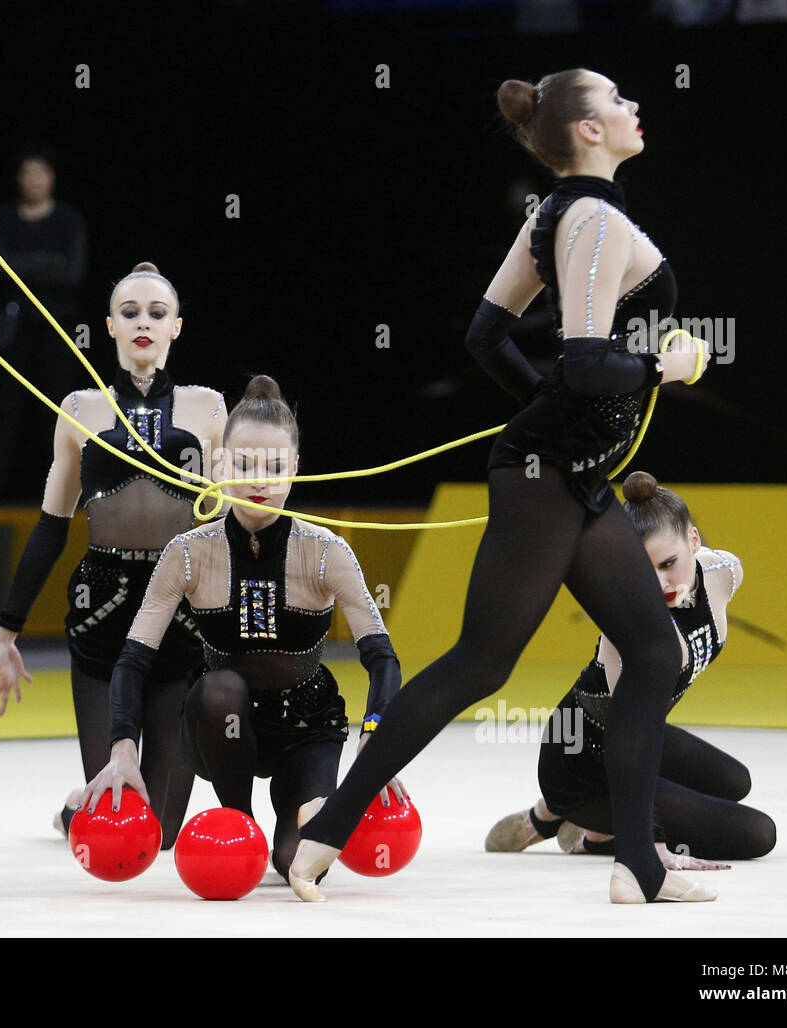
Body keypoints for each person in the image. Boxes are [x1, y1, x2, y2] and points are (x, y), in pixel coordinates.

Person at [289, 68, 715, 904]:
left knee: (654, 650)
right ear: (588, 131)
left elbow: (488, 335)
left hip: (573, 473)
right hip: (549, 476)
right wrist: (659, 368)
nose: (634, 107)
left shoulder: (552, 214)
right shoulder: (592, 215)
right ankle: (326, 833)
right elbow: (589, 363)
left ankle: (639, 865)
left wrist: (550, 411)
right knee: (481, 664)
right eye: (618, 100)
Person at [81, 375, 405, 880]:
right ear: (219, 464)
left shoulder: (327, 552)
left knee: (299, 865)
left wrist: (375, 734)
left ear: (296, 468)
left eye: (276, 466)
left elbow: (382, 658)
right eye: (245, 464)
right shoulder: (187, 554)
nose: (261, 480)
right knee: (218, 690)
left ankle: (289, 813)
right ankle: (239, 820)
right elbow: (133, 660)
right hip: (222, 727)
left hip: (307, 726)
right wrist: (122, 748)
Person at [0, 262, 223, 846]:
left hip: (180, 615)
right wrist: (5, 632)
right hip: (102, 614)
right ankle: (80, 805)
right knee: (117, 822)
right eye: (131, 313)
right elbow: (50, 526)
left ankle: (77, 805)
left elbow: (226, 526)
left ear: (177, 328)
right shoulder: (79, 407)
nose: (144, 323)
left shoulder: (208, 407)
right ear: (109, 327)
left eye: (157, 314)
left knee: (160, 833)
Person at [484, 471, 776, 865]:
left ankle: (575, 820)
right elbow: (630, 738)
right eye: (643, 571)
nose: (660, 583)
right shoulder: (629, 623)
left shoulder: (725, 572)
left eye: (669, 563)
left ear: (694, 541)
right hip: (579, 760)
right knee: (758, 834)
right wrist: (652, 845)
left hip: (631, 733)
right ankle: (572, 816)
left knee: (734, 782)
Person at [0, 146, 88, 499]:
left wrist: (23, 266)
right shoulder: (1, 218)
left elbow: (72, 273)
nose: (35, 180)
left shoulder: (70, 220)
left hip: (57, 327)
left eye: (42, 172)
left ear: (53, 179)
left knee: (57, 409)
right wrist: (47, 263)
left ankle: (60, 490)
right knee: (3, 408)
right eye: (29, 172)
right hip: (13, 326)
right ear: (18, 178)